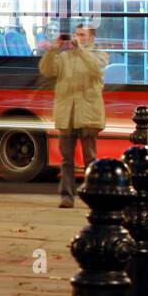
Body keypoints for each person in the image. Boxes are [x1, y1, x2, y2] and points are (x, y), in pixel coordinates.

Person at [39, 23, 109, 207]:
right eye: (76, 34)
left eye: (83, 35)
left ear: (92, 37)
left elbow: (96, 69)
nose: (78, 38)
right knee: (66, 160)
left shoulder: (100, 55)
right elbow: (46, 70)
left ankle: (92, 196)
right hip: (66, 114)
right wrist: (52, 51)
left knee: (90, 159)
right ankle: (67, 196)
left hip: (88, 114)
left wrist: (81, 51)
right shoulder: (64, 57)